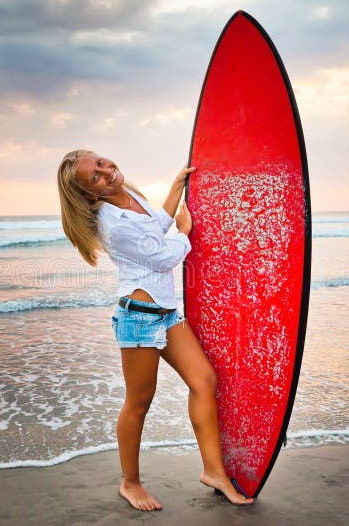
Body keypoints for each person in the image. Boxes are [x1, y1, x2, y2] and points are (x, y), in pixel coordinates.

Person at [56, 149, 254, 511]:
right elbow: (164, 257)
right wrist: (184, 231)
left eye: (100, 163)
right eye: (95, 177)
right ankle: (130, 483)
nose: (106, 171)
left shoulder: (130, 198)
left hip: (167, 314)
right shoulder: (113, 225)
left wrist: (178, 184)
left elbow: (156, 226)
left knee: (204, 380)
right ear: (89, 194)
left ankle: (213, 471)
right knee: (139, 403)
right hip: (139, 320)